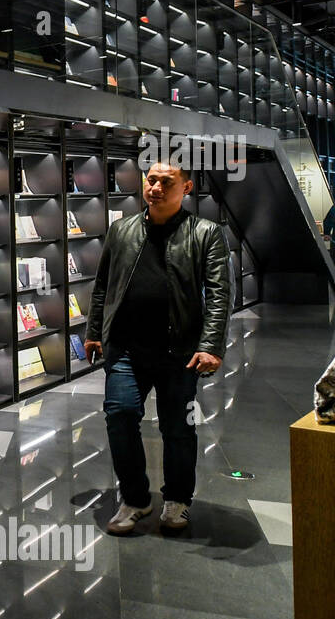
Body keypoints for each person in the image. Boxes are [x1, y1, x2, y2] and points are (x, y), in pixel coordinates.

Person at [84, 163, 230, 535]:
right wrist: (95, 330)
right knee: (120, 415)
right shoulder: (122, 230)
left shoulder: (205, 233)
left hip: (179, 352)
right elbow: (103, 286)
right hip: (126, 349)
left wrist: (210, 344)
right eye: (152, 180)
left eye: (167, 182)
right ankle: (134, 498)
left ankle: (178, 499)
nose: (157, 188)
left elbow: (218, 294)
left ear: (186, 187)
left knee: (178, 428)